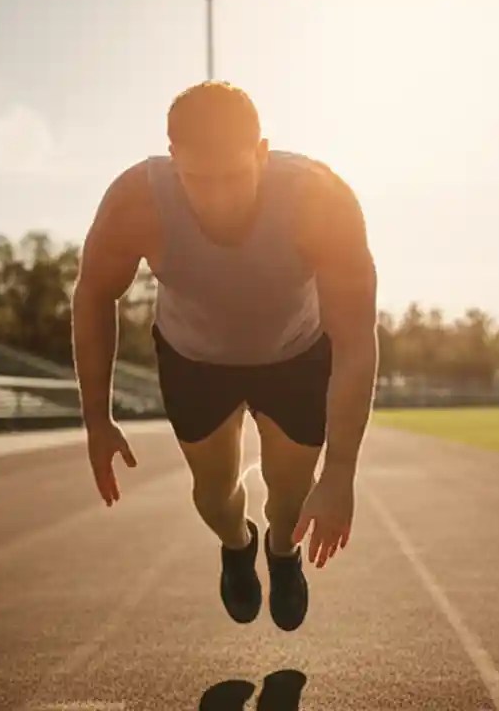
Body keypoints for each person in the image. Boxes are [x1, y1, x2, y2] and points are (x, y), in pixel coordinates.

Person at [72, 81, 379, 631]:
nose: (217, 199)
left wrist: (341, 473)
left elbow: (355, 337)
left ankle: (283, 554)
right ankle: (238, 544)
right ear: (173, 161)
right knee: (214, 495)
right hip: (195, 358)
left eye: (234, 177)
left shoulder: (319, 199)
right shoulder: (136, 201)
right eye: (198, 181)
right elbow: (94, 294)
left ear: (262, 152)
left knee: (291, 496)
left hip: (295, 353)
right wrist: (97, 417)